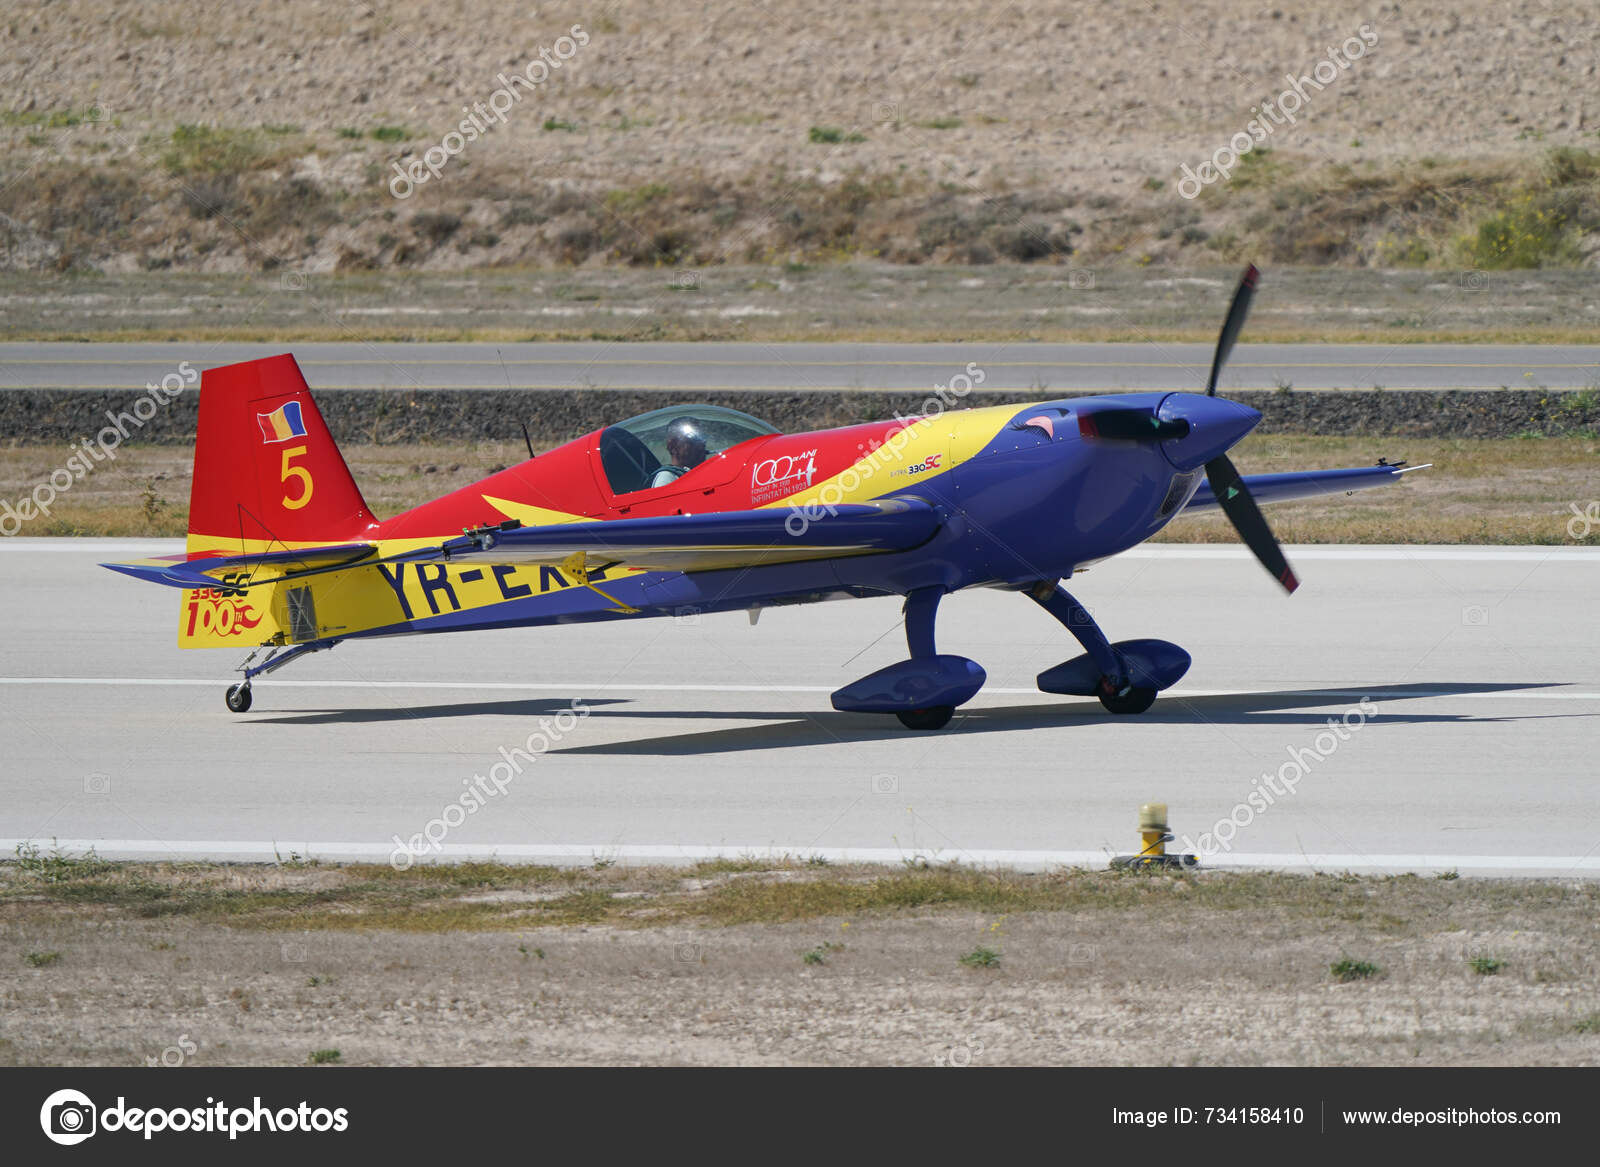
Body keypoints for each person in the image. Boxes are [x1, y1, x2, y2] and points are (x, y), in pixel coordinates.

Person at [649, 417, 711, 487]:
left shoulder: (702, 474)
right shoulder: (667, 478)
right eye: (693, 440)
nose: (701, 445)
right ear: (672, 446)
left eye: (702, 439)